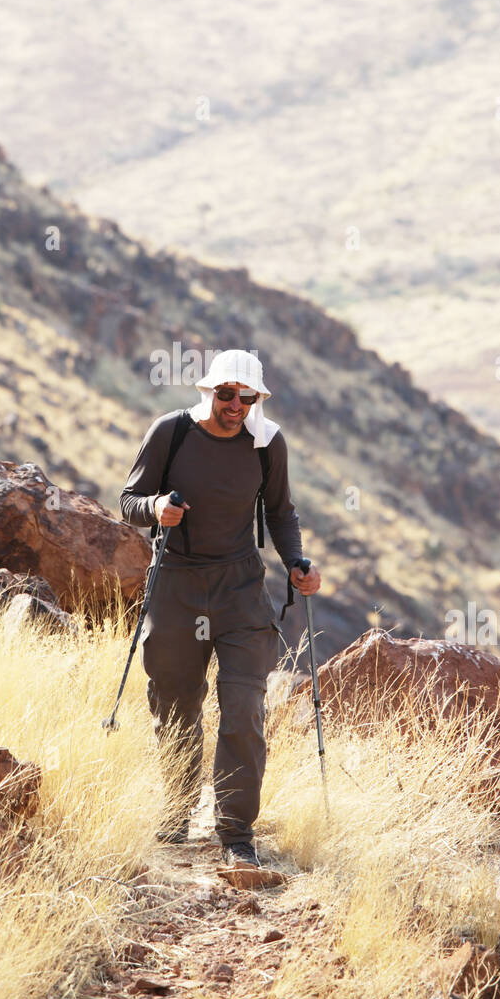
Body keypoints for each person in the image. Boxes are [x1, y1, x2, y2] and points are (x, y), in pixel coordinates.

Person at [119, 348, 320, 869]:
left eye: (245, 396)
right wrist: (156, 509)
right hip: (177, 584)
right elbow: (129, 501)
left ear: (257, 398)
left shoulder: (267, 442)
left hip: (240, 589)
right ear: (209, 391)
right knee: (175, 705)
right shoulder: (172, 432)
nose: (235, 405)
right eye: (226, 394)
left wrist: (296, 560)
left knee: (244, 708)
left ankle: (236, 832)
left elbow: (281, 512)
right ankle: (177, 812)